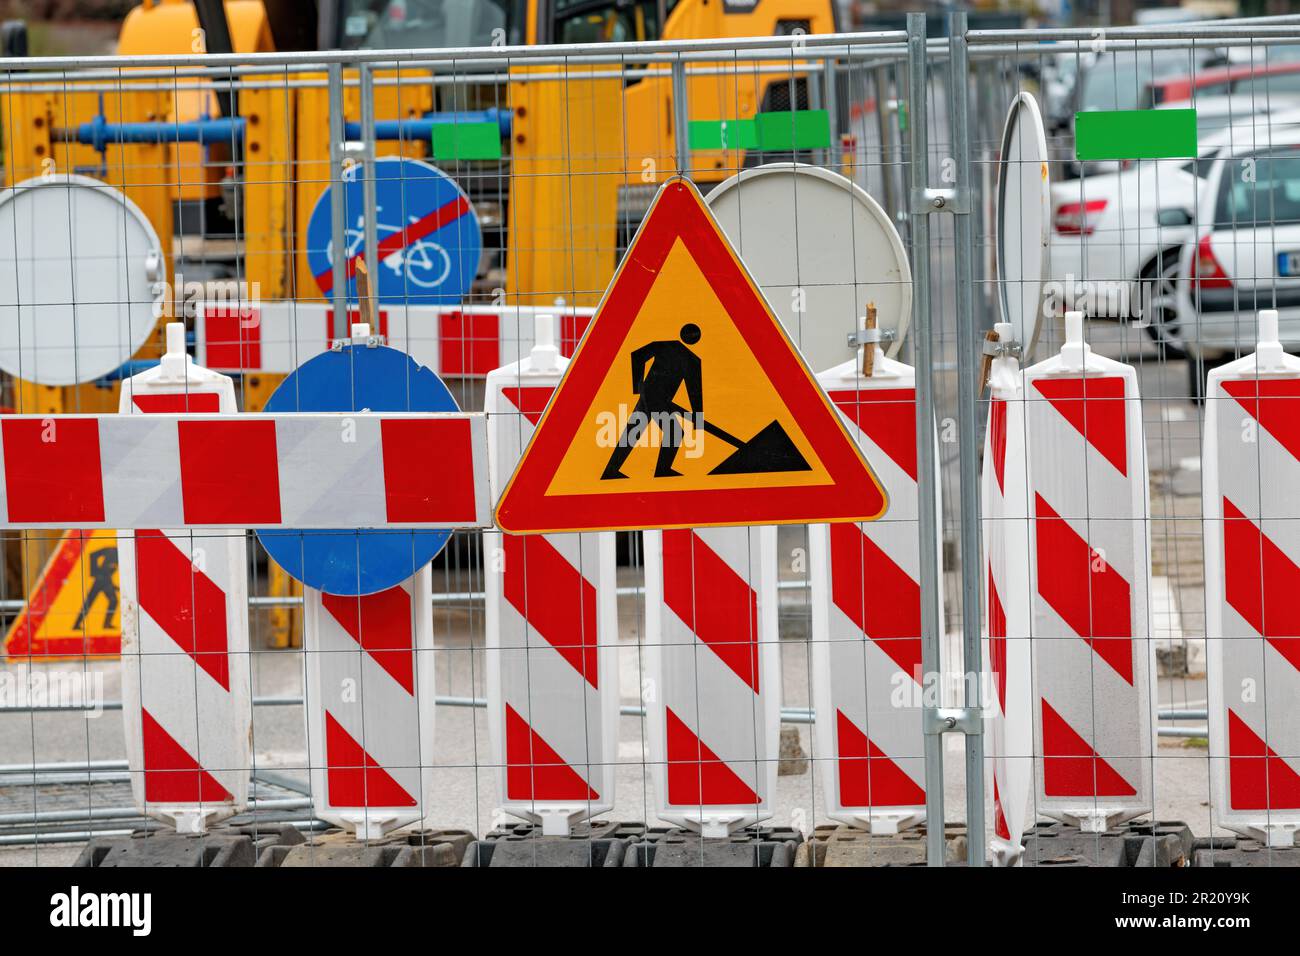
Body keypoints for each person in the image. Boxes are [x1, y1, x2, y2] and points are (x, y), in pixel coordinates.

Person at [601, 323, 703, 479]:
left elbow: (695, 391)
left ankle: (611, 470)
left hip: (654, 396)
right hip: (655, 397)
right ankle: (662, 470)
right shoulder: (672, 348)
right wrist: (638, 387)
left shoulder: (691, 359)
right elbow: (637, 355)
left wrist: (698, 416)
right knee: (674, 432)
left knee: (635, 429)